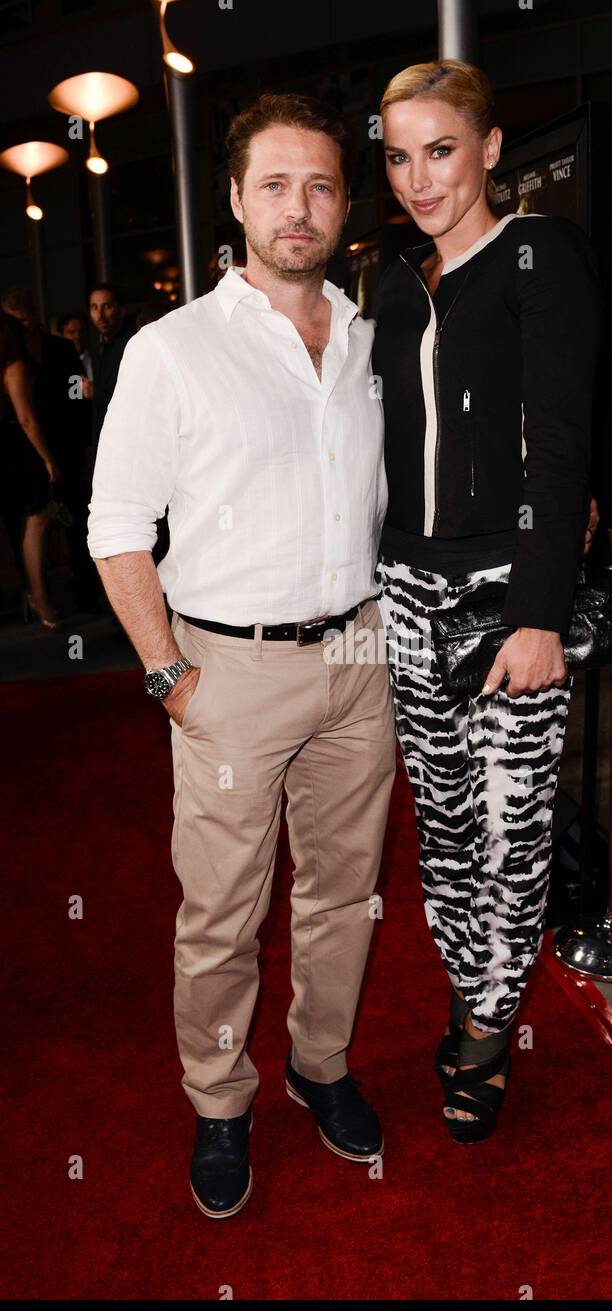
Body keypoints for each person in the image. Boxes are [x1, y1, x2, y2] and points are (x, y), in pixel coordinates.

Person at [87, 92, 396, 1218]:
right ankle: (221, 1101)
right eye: (275, 184)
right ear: (235, 200)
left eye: (319, 184)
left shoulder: (373, 335)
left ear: (343, 201)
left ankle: (321, 1066)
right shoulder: (173, 349)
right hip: (229, 669)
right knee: (222, 908)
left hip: (362, 657)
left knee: (344, 892)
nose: (298, 207)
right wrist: (168, 672)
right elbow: (115, 525)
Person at [372, 59, 601, 1144]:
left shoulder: (536, 255)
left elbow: (561, 444)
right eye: (399, 155)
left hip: (508, 593)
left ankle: (485, 1027)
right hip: (406, 586)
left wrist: (541, 611)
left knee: (513, 836)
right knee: (448, 830)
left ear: (491, 148)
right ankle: (474, 991)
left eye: (442, 150)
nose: (420, 177)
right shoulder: (399, 281)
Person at [0, 310, 60, 628]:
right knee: (37, 521)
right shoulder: (15, 367)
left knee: (23, 526)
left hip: (8, 452)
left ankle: (35, 596)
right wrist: (48, 459)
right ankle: (39, 598)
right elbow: (26, 418)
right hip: (19, 451)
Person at [84, 283, 135, 460]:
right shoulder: (99, 349)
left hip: (126, 442)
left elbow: (134, 394)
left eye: (107, 306)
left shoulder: (132, 345)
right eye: (94, 307)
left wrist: (94, 393)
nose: (100, 315)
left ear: (121, 310)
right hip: (103, 440)